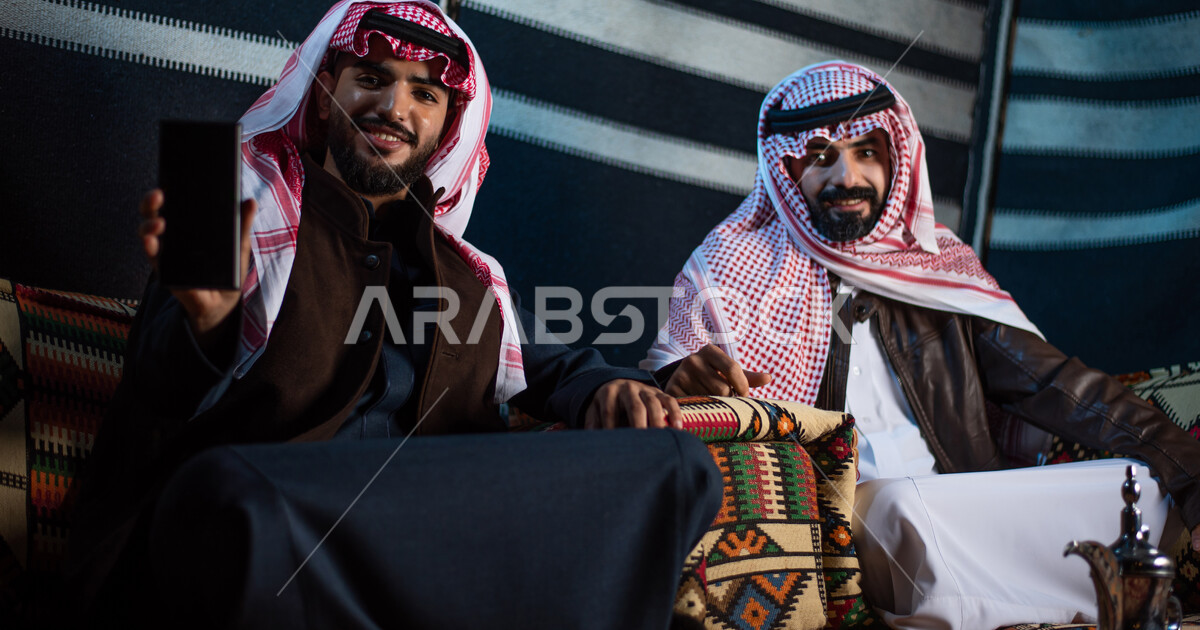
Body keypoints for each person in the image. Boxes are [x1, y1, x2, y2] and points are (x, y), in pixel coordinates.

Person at [67, 2, 720, 627]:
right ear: (325, 95)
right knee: (237, 494)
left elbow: (553, 363)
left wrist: (614, 386)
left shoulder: (466, 278)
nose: (393, 108)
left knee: (676, 465)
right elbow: (157, 392)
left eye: (425, 95)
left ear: (446, 128)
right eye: (372, 79)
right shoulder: (251, 215)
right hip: (260, 521)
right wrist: (207, 324)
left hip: (421, 529)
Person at [642, 61, 1200, 629]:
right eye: (820, 157)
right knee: (897, 508)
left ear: (896, 157)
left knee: (1137, 488)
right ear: (786, 166)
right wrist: (679, 378)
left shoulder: (939, 267)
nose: (847, 177)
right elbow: (674, 374)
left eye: (866, 151)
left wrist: (1190, 472)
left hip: (966, 502)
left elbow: (1058, 385)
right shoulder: (730, 264)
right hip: (848, 520)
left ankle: (1001, 605)